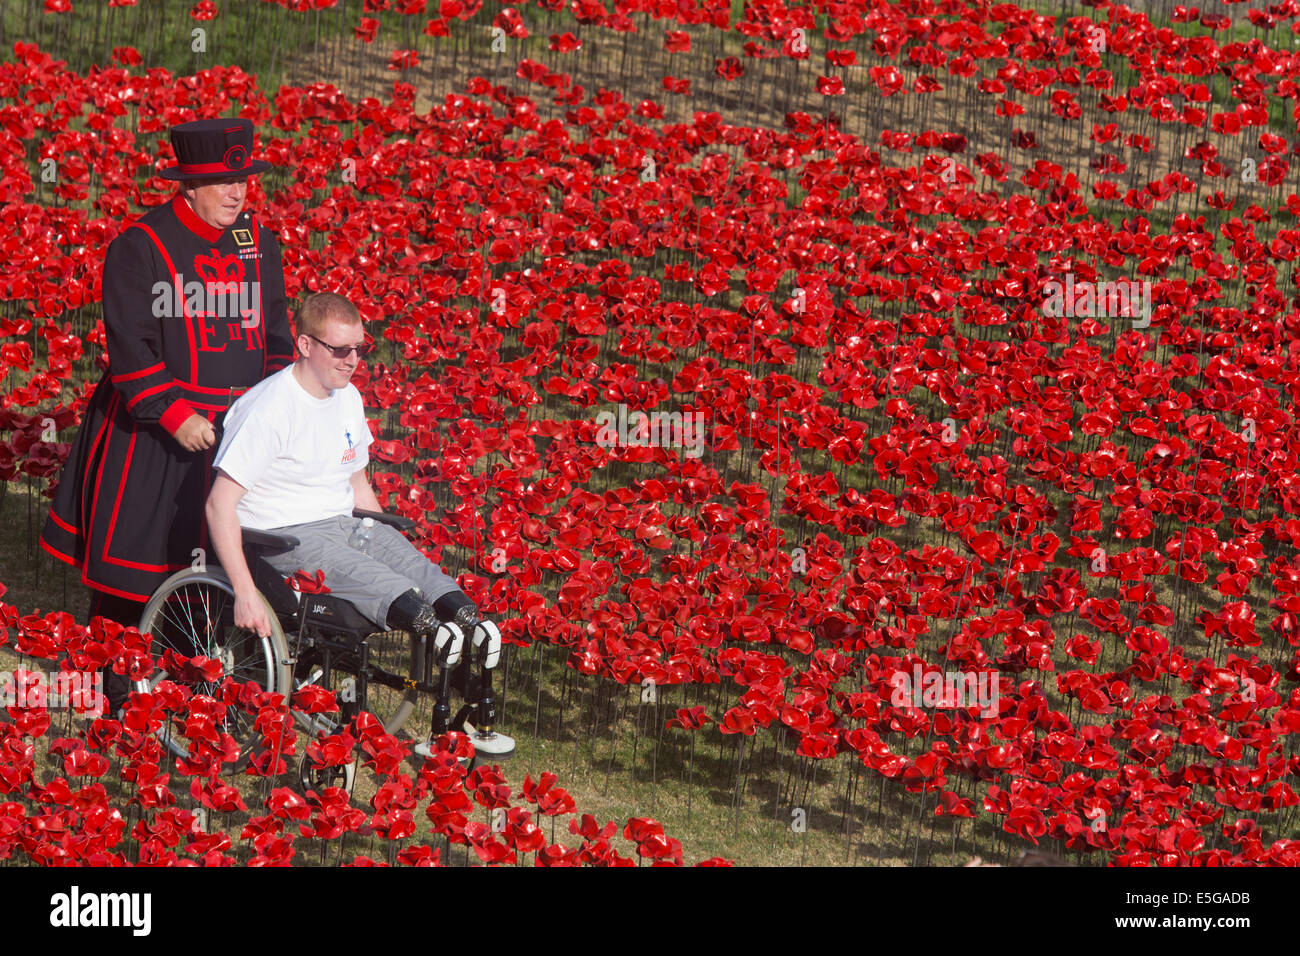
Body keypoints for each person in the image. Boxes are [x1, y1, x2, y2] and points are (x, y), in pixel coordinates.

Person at [40, 117, 294, 710]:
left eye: (245, 179)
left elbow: (278, 333)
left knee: (217, 552)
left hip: (237, 432)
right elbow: (131, 348)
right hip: (154, 432)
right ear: (188, 184)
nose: (238, 192)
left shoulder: (257, 239)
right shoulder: (140, 245)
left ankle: (200, 668)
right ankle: (115, 682)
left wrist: (275, 404)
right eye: (225, 181)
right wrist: (175, 414)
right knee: (141, 557)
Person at [205, 291, 482, 658]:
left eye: (359, 349)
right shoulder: (268, 410)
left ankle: (471, 672)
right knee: (405, 601)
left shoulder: (348, 396)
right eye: (339, 349)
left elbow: (356, 481)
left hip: (345, 525)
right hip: (284, 538)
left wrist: (382, 532)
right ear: (304, 344)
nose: (351, 361)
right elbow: (218, 505)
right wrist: (244, 591)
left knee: (444, 593)